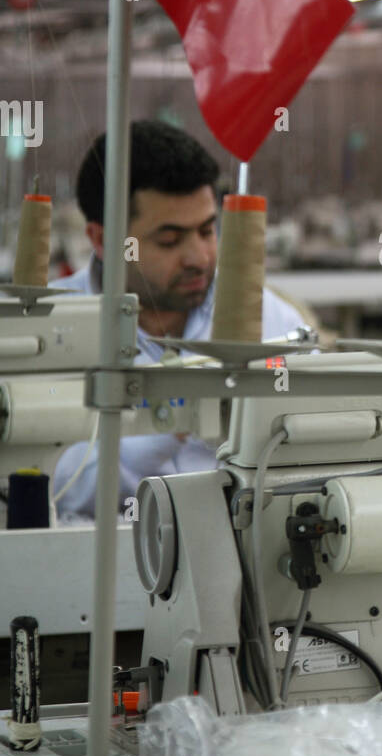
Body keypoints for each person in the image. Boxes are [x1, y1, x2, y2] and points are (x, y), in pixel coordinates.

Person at [53, 120, 304, 518]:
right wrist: (168, 424)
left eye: (207, 231)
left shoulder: (270, 321)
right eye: (169, 241)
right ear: (103, 240)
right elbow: (50, 489)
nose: (199, 258)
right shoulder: (51, 332)